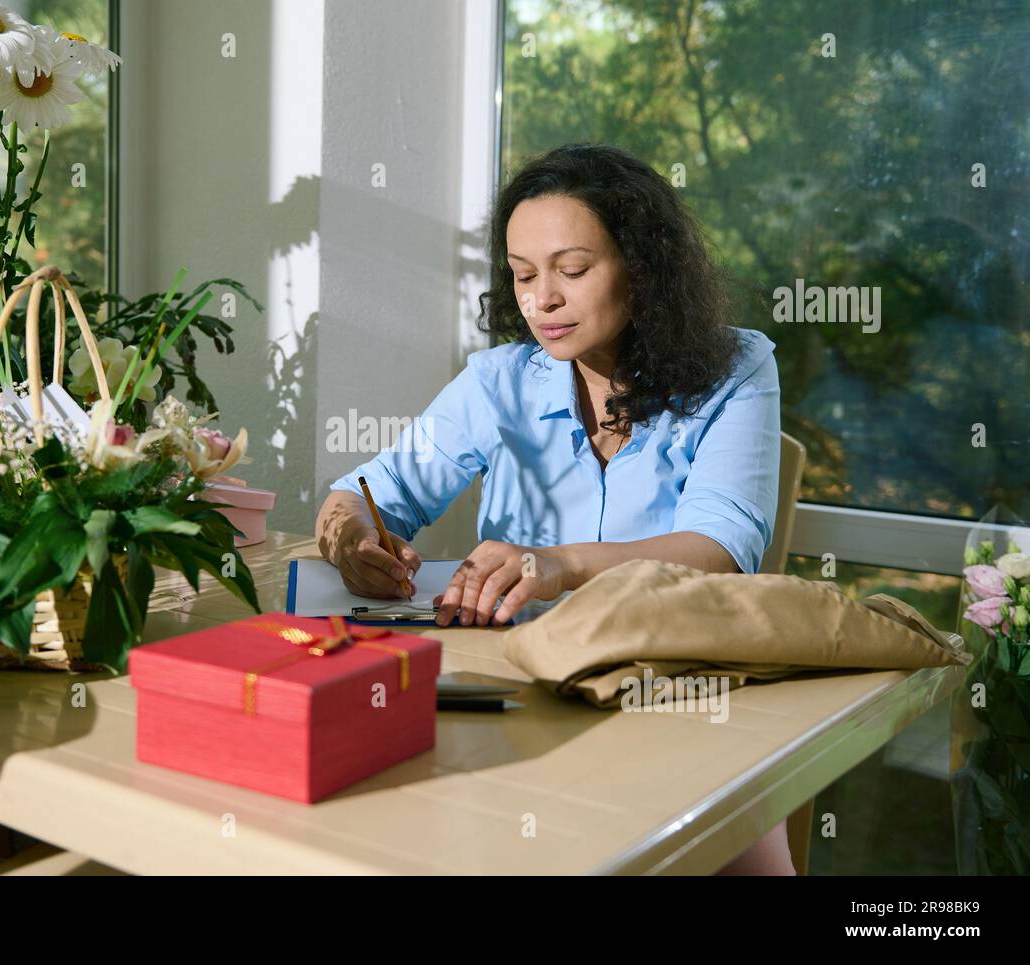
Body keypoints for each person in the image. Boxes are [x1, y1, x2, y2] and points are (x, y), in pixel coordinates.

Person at [314, 143, 793, 875]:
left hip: (684, 701)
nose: (542, 299)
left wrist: (559, 565)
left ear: (642, 266)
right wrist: (353, 537)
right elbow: (368, 492)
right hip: (517, 699)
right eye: (523, 274)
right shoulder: (498, 383)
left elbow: (722, 548)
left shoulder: (738, 369)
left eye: (572, 270)